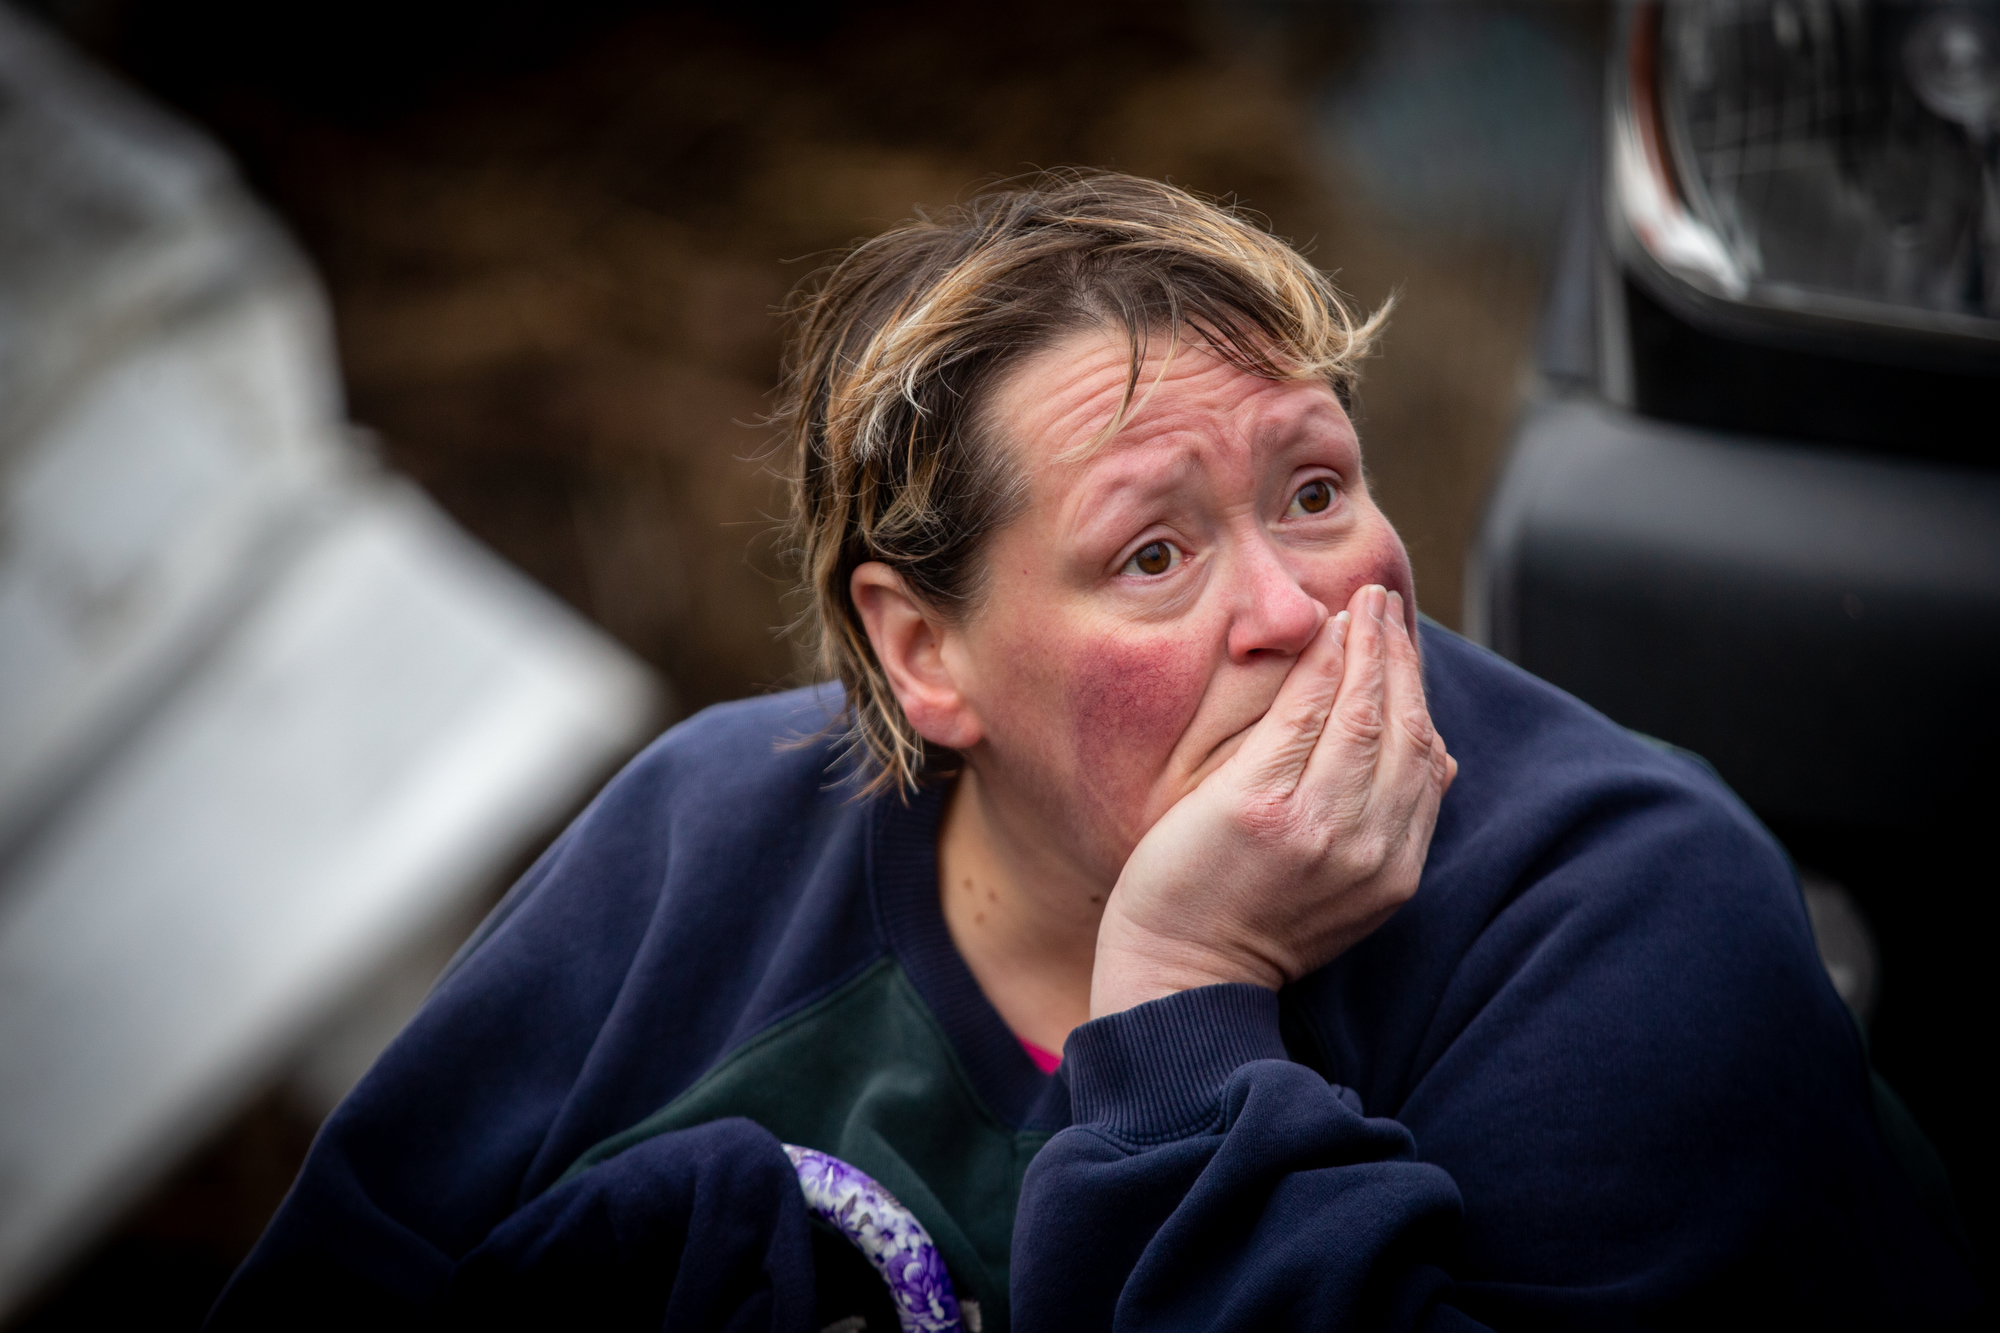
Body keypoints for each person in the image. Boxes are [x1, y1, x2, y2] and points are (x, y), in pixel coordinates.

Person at [209, 172, 1982, 1330]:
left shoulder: (1627, 912)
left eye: (1316, 489)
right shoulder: (699, 841)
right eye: (1155, 552)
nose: (1294, 607)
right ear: (924, 653)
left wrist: (1188, 1002)